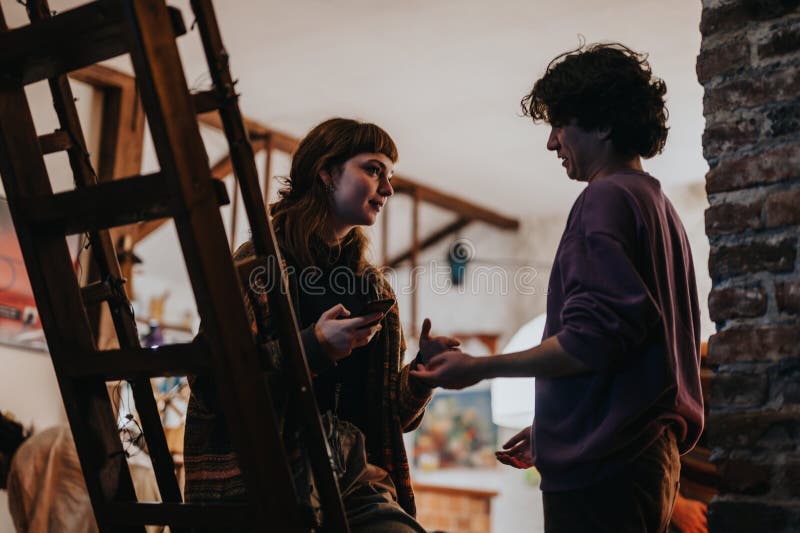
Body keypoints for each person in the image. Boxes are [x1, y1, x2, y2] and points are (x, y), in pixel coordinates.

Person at [412, 42, 703, 533]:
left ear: (603, 123)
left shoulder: (604, 198)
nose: (552, 143)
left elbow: (593, 340)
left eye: (560, 124)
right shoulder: (657, 206)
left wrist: (479, 368)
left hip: (607, 465)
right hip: (641, 455)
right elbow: (630, 352)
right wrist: (558, 426)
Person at [184, 118, 458, 532]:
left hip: (352, 484)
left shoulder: (374, 289)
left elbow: (386, 421)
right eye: (374, 170)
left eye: (390, 176)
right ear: (326, 172)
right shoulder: (257, 267)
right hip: (261, 486)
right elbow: (211, 383)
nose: (388, 189)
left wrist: (422, 374)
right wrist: (312, 347)